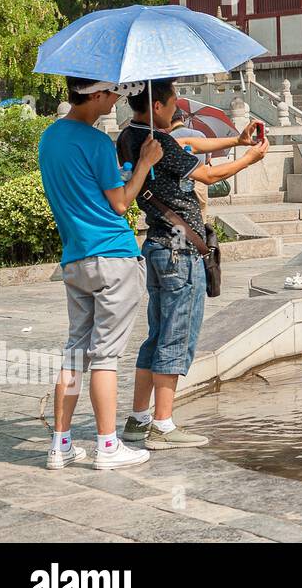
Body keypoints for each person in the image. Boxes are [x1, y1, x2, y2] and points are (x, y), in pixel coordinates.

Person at [115, 80, 268, 450]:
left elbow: (190, 144)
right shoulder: (158, 142)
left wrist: (237, 141)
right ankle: (163, 425)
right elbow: (209, 175)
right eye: (173, 104)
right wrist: (249, 159)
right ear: (156, 106)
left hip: (157, 246)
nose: (176, 111)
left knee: (156, 335)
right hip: (179, 252)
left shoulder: (130, 137)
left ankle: (138, 419)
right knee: (176, 335)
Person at [39, 78, 162, 471]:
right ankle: (107, 445)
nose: (116, 101)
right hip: (112, 257)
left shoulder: (49, 138)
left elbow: (82, 192)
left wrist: (118, 173)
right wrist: (144, 164)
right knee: (105, 356)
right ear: (95, 94)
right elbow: (120, 204)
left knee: (76, 352)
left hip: (76, 258)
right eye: (113, 93)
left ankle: (60, 445)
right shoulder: (95, 142)